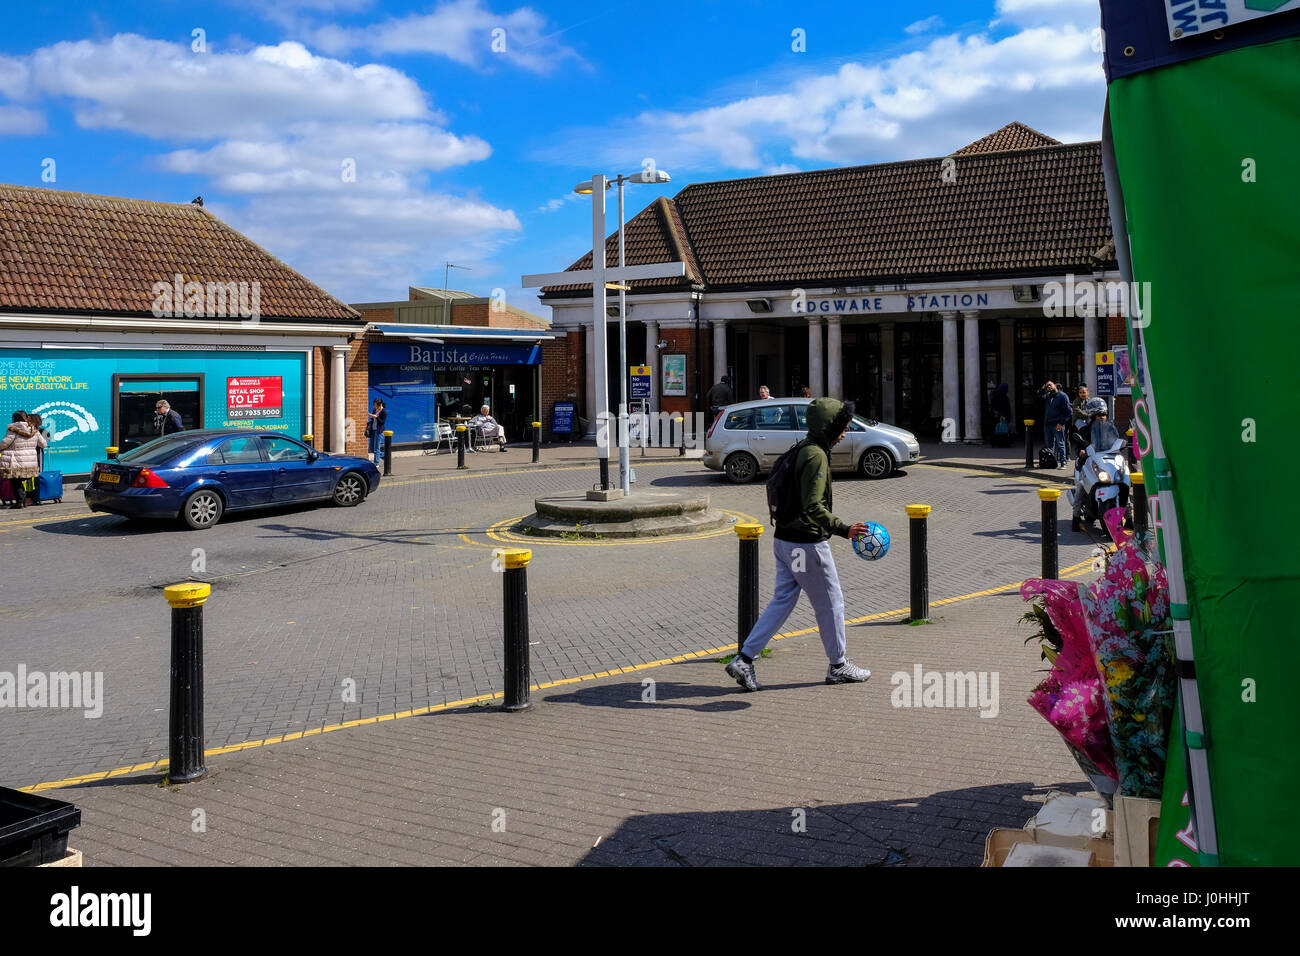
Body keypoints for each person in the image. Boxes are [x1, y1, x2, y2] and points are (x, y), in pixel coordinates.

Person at [724, 398, 873, 692]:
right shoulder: (816, 455)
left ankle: (744, 659)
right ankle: (839, 665)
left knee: (782, 602)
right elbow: (813, 506)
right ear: (829, 428)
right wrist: (844, 529)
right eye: (841, 426)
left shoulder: (801, 447)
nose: (844, 432)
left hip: (784, 541)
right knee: (831, 604)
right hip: (806, 546)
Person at [0, 411, 47, 510]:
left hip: (16, 460)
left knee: (15, 481)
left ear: (14, 419)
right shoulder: (34, 429)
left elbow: (5, 443)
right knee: (18, 481)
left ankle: (20, 502)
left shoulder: (13, 429)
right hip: (29, 461)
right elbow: (43, 444)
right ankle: (23, 501)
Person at [1038, 381, 1070, 467]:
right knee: (1049, 445)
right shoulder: (1048, 396)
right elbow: (1039, 398)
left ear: (1055, 385)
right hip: (1047, 424)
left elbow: (1067, 411)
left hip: (1057, 423)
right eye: (1047, 386)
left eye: (1050, 385)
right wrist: (1042, 389)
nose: (1049, 387)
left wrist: (1061, 423)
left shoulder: (1062, 396)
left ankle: (1063, 461)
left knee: (1060, 443)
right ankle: (1051, 462)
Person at [25, 412, 51, 505]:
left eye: (28, 419)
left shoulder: (41, 431)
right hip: (29, 456)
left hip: (37, 456)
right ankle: (31, 497)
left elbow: (46, 442)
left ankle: (35, 497)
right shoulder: (29, 430)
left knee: (36, 476)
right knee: (30, 478)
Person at [366, 398, 387, 465]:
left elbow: (382, 422)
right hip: (373, 430)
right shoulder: (374, 410)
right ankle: (385, 456)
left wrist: (375, 417)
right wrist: (371, 417)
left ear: (380, 404)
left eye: (375, 405)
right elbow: (373, 419)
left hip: (379, 431)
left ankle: (376, 463)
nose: (374, 406)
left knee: (377, 448)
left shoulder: (383, 411)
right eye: (374, 405)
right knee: (371, 448)